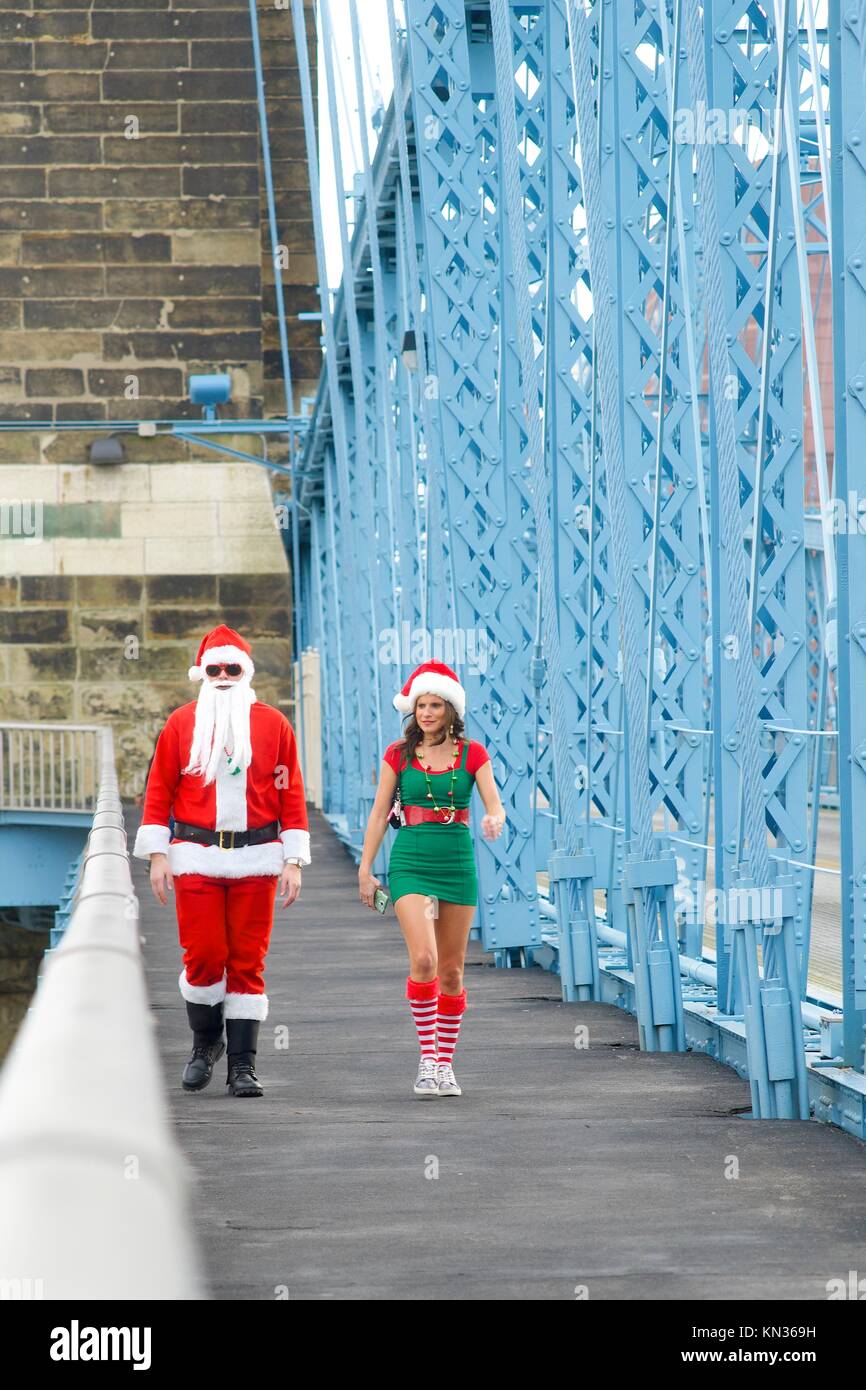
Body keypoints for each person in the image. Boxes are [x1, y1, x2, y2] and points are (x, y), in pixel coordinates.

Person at [132, 624, 310, 1097]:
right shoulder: (180, 723)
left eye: (234, 668)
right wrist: (156, 854)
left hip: (257, 856)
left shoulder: (274, 725)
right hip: (195, 856)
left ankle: (242, 1067)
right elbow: (159, 790)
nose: (225, 676)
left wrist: (293, 859)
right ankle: (204, 1044)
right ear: (202, 674)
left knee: (248, 961)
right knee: (205, 955)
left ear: (246, 671)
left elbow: (291, 794)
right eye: (216, 669)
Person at [358, 660, 506, 1098]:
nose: (426, 713)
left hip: (457, 862)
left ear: (451, 710)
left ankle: (446, 1063)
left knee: (452, 971)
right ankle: (426, 1058)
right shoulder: (397, 755)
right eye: (420, 705)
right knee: (423, 958)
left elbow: (494, 804)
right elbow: (380, 813)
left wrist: (494, 820)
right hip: (411, 864)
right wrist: (366, 869)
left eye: (435, 705)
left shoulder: (473, 754)